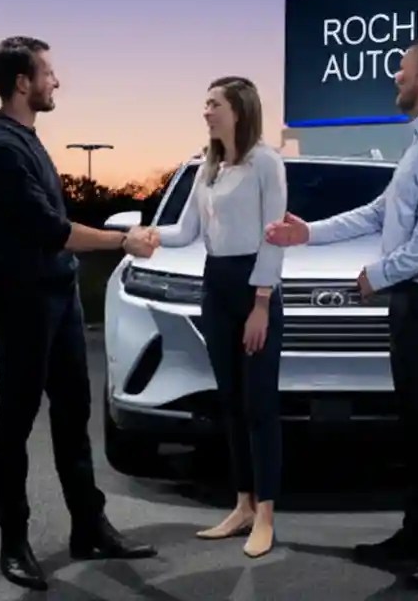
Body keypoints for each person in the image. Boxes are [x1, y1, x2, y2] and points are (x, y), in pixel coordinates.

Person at [265, 39, 418, 591]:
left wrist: (380, 274)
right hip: (414, 302)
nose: (396, 79)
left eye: (404, 72)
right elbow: (378, 212)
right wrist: (309, 233)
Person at [0, 36, 159, 592]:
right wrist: (123, 241)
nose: (56, 82)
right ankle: (14, 538)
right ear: (22, 83)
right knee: (18, 417)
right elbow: (52, 230)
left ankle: (89, 526)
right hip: (22, 299)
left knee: (72, 413)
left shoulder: (26, 139)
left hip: (57, 294)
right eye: (48, 73)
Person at [150, 76, 287, 559]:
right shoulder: (208, 166)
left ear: (239, 109)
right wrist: (143, 237)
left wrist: (262, 303)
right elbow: (186, 231)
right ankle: (242, 504)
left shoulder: (266, 163)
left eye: (214, 104)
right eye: (205, 103)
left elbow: (274, 236)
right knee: (230, 402)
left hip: (254, 288)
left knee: (259, 406)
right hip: (215, 287)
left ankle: (267, 514)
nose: (205, 111)